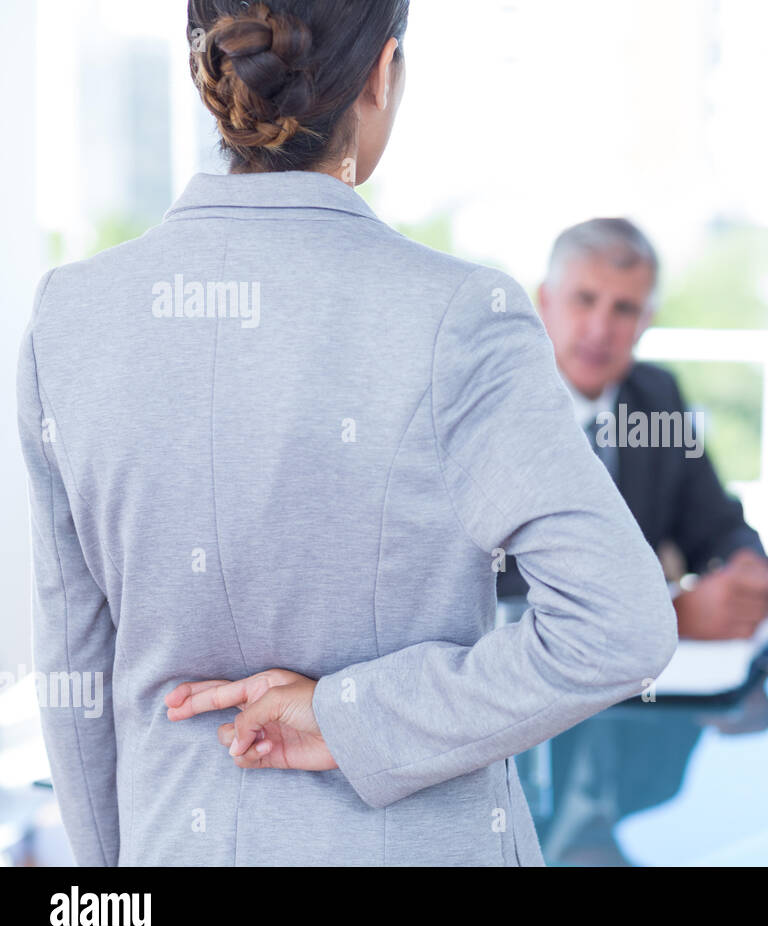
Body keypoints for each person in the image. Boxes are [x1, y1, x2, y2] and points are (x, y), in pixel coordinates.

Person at [18, 0, 677, 867]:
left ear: (205, 65)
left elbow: (76, 676)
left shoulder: (70, 316)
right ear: (382, 72)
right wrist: (344, 717)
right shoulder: (458, 317)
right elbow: (619, 628)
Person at [496, 218, 768, 639]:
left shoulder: (655, 396)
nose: (601, 330)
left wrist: (749, 571)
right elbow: (497, 593)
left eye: (624, 309)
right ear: (545, 302)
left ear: (646, 320)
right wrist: (668, 616)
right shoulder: (491, 404)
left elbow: (715, 524)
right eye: (584, 299)